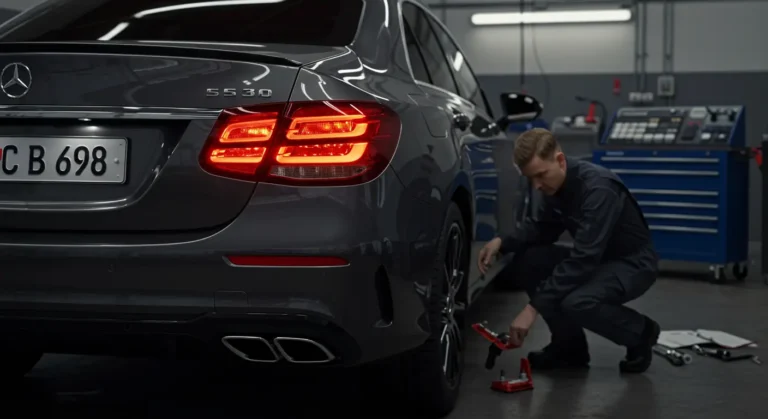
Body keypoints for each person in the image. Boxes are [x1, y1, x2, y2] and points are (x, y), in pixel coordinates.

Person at [478, 128, 661, 374]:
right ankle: (569, 349)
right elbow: (543, 229)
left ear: (560, 160)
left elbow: (583, 260)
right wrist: (502, 241)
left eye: (541, 175)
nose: (537, 185)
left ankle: (641, 332)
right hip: (597, 259)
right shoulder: (555, 186)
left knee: (577, 302)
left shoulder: (598, 190)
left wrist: (531, 310)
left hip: (632, 263)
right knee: (531, 260)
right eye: (530, 179)